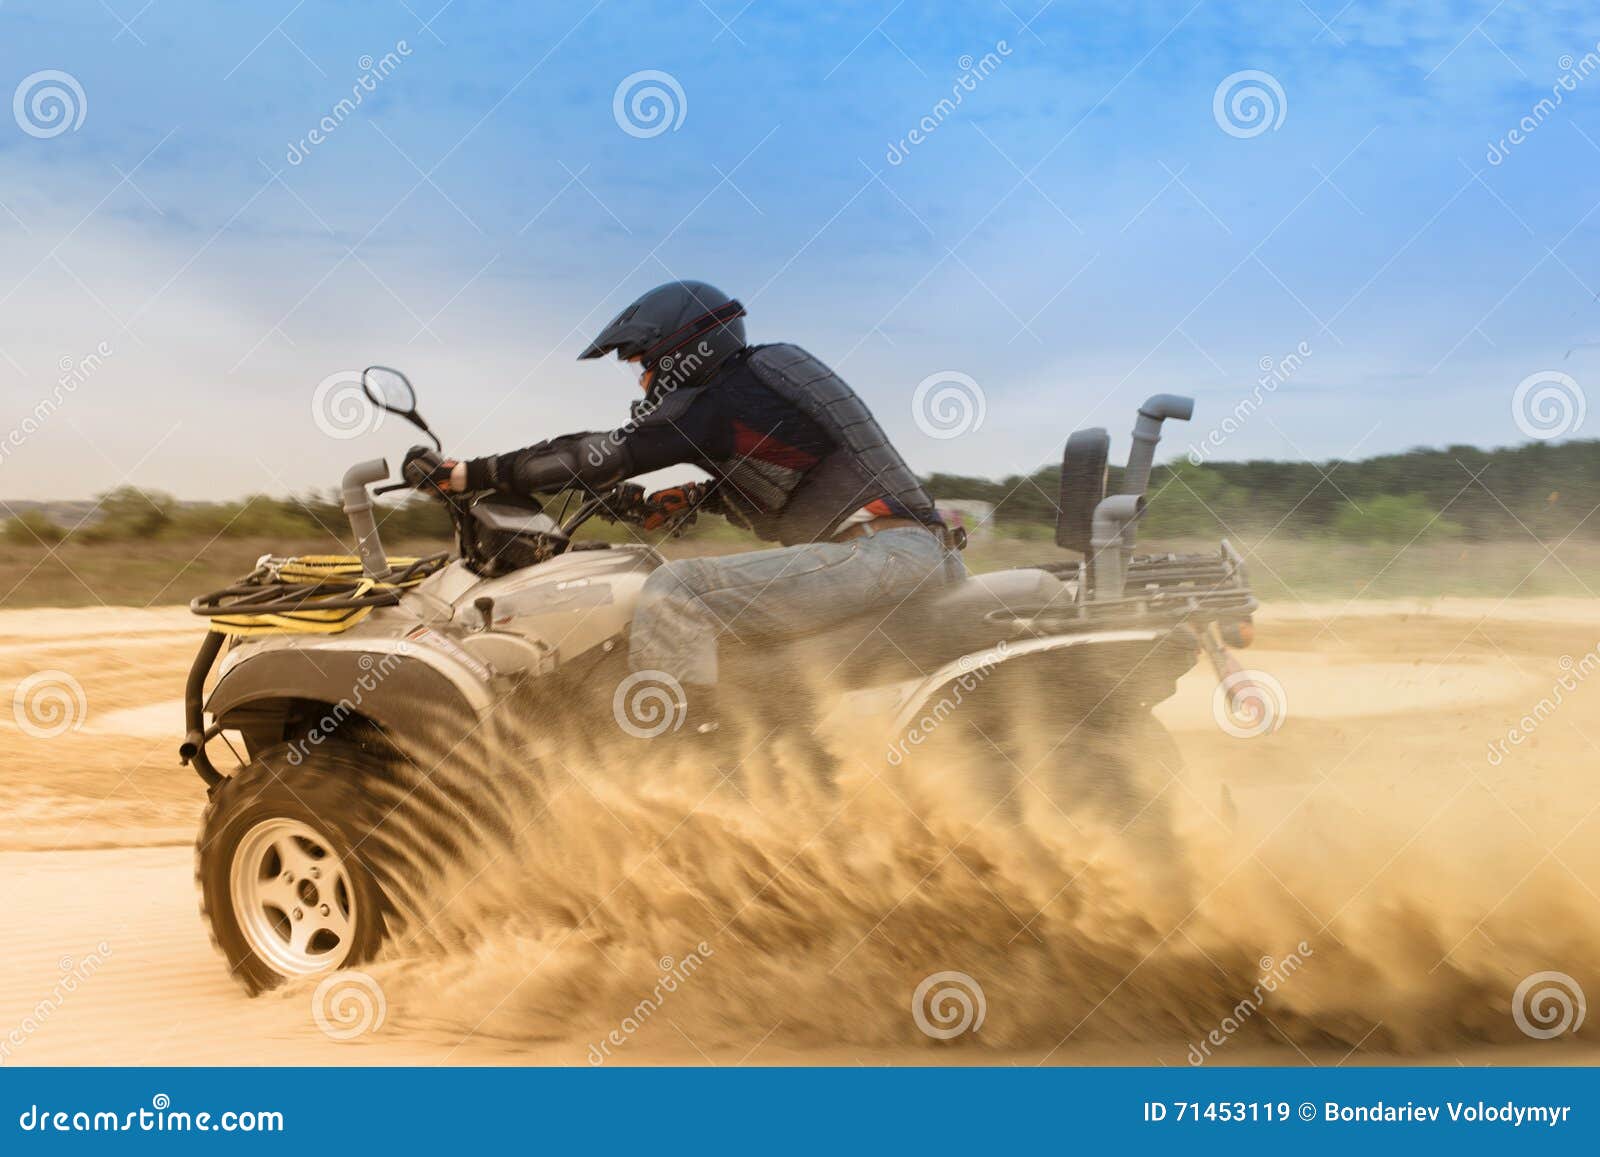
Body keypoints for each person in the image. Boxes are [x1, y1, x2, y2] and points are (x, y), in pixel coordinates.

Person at [413, 279, 964, 730]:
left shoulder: (725, 396)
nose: (644, 378)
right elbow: (792, 474)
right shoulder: (762, 380)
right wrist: (685, 500)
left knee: (679, 593)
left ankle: (675, 760)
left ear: (678, 351)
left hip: (884, 556)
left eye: (642, 362)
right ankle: (746, 739)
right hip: (898, 554)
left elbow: (600, 454)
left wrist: (469, 474)